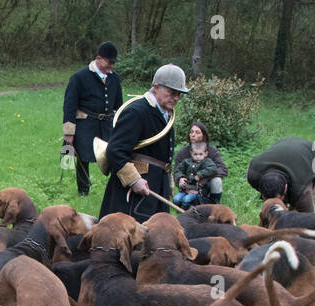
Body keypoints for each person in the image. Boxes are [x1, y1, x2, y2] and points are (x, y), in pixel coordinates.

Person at [98, 63, 188, 223]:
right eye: (171, 92)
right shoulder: (137, 111)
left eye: (178, 94)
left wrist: (167, 182)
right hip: (134, 190)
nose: (175, 98)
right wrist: (134, 180)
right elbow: (115, 150)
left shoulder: (166, 114)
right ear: (156, 87)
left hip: (157, 184)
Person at [62, 41, 122, 196]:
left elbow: (119, 105)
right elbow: (69, 105)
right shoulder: (79, 77)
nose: (112, 66)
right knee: (83, 157)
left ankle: (116, 189)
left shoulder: (115, 79)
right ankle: (83, 190)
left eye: (114, 63)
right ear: (99, 59)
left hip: (107, 125)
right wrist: (69, 133)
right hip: (85, 125)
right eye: (110, 62)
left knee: (114, 155)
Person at [246, 136, 315, 213]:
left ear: (286, 188)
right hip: (286, 143)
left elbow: (308, 220)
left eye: (279, 200)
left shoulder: (302, 190)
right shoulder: (253, 174)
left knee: (299, 212)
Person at [171, 120, 228, 205]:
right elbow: (176, 171)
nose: (193, 135)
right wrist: (180, 178)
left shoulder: (211, 151)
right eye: (191, 132)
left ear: (203, 135)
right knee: (177, 200)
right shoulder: (182, 152)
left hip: (206, 187)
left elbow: (222, 169)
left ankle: (214, 204)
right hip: (187, 187)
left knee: (217, 180)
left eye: (197, 132)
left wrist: (203, 177)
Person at [172, 143, 219, 208]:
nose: (198, 156)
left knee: (186, 200)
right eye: (195, 154)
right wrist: (180, 178)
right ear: (191, 153)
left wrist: (200, 174)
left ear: (206, 153)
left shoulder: (207, 162)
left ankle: (186, 210)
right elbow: (178, 170)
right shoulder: (186, 161)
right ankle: (180, 207)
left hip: (197, 191)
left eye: (200, 154)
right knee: (175, 199)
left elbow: (213, 169)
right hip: (185, 189)